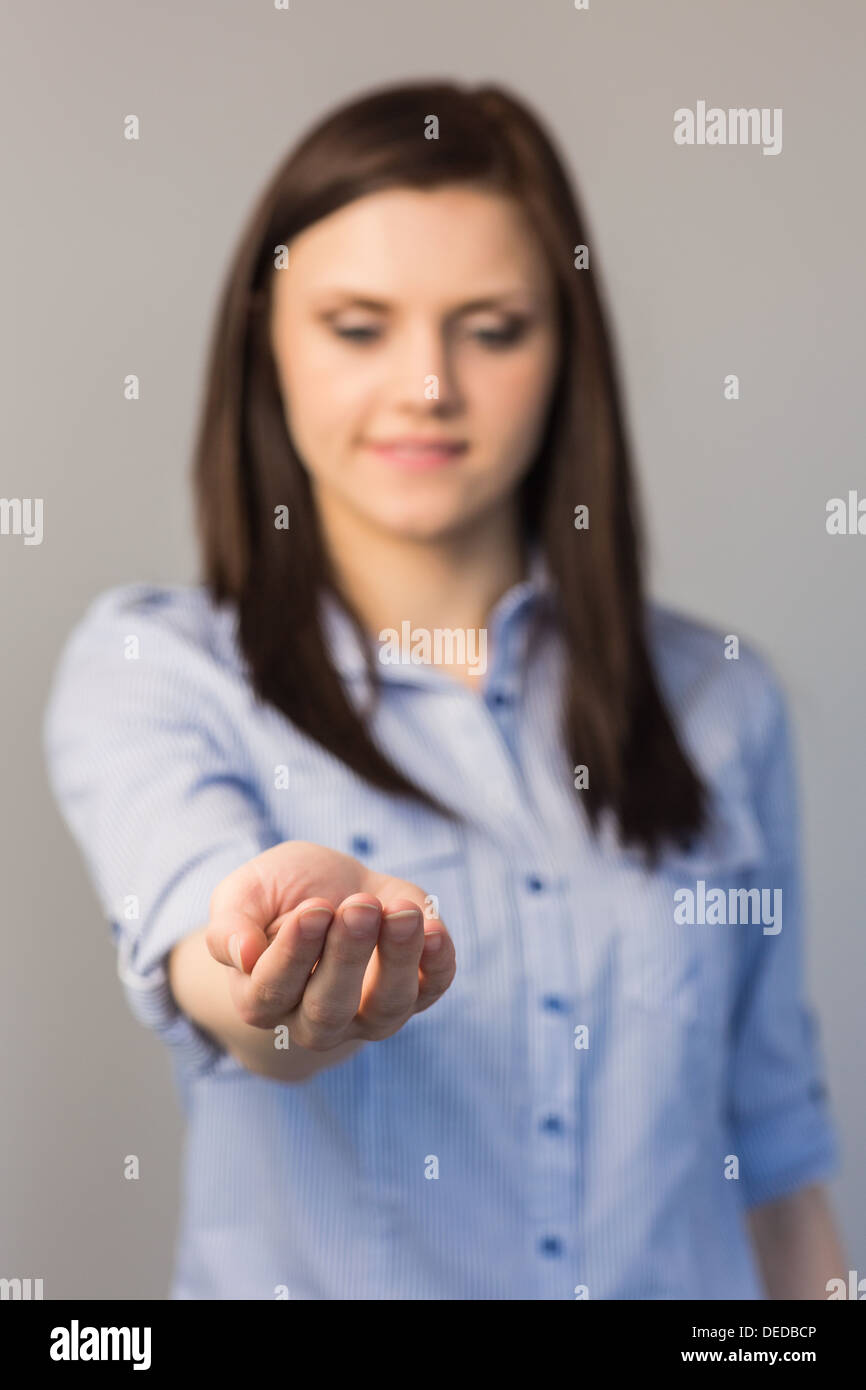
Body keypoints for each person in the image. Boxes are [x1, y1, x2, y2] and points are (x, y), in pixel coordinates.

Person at [43, 80, 845, 1300]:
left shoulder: (718, 701)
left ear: (566, 348)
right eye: (357, 327)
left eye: (492, 328)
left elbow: (773, 1163)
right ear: (268, 341)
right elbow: (231, 998)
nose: (427, 384)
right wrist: (284, 958)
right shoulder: (162, 672)